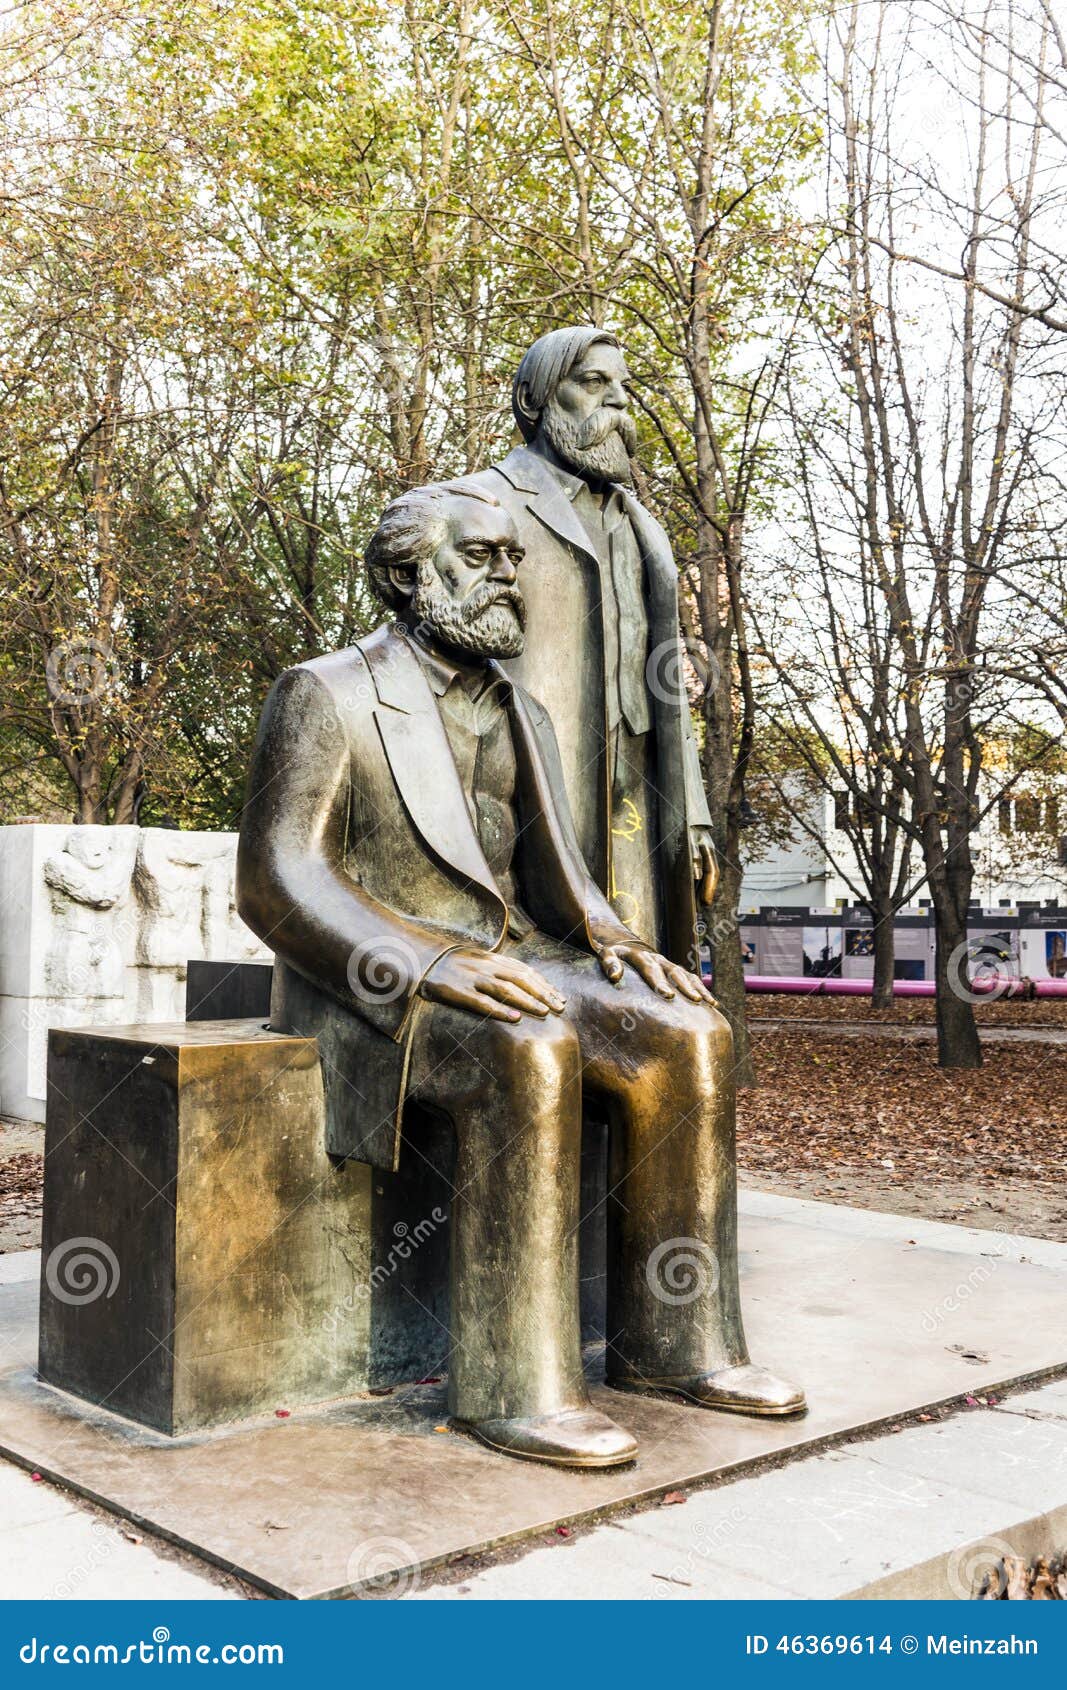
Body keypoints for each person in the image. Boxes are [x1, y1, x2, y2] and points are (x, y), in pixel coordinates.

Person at [237, 482, 803, 1469]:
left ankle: (677, 1345)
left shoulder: (519, 711)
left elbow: (555, 880)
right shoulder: (322, 692)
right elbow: (277, 879)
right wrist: (421, 963)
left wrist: (614, 940)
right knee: (530, 1046)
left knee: (686, 1033)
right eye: (487, 557)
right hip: (375, 982)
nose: (513, 575)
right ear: (409, 575)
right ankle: (515, 1385)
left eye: (514, 556)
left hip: (512, 959)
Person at [466, 326, 716, 962]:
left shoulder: (639, 526)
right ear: (534, 401)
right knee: (545, 979)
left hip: (637, 787)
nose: (617, 406)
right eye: (593, 383)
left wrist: (691, 813)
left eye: (624, 391)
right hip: (531, 784)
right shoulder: (482, 504)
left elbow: (664, 677)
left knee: (645, 975)